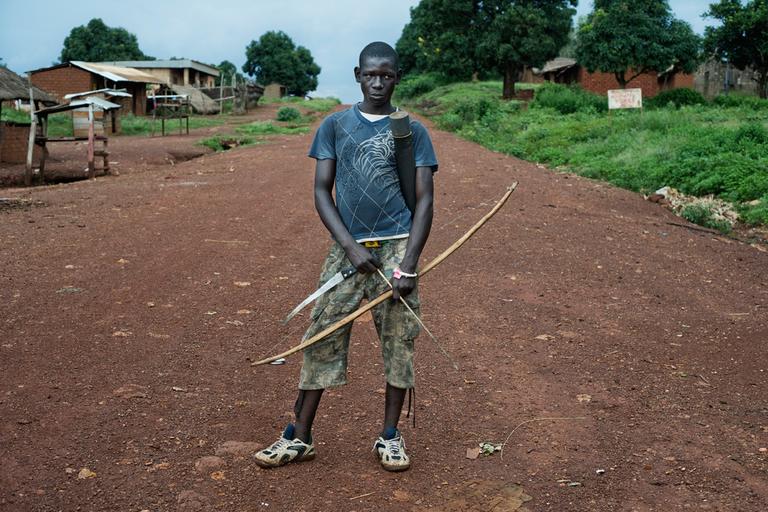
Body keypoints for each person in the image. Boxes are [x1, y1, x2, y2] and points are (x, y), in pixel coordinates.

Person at [253, 41, 438, 472]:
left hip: (397, 248)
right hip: (347, 251)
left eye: (386, 75)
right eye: (370, 74)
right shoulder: (335, 126)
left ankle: (390, 436)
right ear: (358, 75)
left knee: (398, 340)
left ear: (397, 77)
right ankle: (299, 436)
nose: (378, 82)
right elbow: (321, 190)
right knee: (322, 334)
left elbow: (425, 200)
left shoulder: (411, 131)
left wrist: (409, 263)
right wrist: (350, 248)